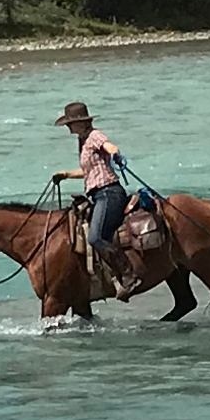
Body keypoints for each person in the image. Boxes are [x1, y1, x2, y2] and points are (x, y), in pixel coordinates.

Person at [51, 99, 139, 289]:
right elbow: (89, 171)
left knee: (95, 238)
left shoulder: (93, 136)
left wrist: (115, 153)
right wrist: (65, 174)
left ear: (81, 122)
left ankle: (128, 274)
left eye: (70, 123)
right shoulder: (82, 141)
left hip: (109, 192)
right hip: (98, 194)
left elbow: (110, 146)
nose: (68, 127)